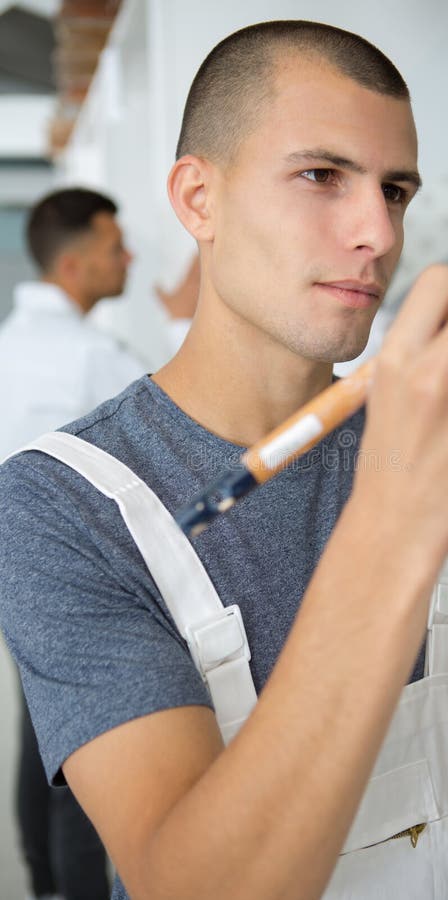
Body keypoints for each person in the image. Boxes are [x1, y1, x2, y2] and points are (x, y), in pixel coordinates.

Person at [0, 20, 448, 900]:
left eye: (397, 190)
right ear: (198, 199)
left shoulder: (426, 446)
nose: (377, 230)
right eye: (321, 176)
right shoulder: (57, 505)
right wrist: (399, 520)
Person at [0, 187, 199, 900]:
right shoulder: (91, 358)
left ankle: (45, 883)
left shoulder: (7, 343)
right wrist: (184, 325)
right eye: (118, 247)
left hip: (16, 561)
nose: (131, 257)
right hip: (83, 571)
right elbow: (177, 434)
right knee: (89, 753)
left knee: (41, 734)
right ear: (78, 264)